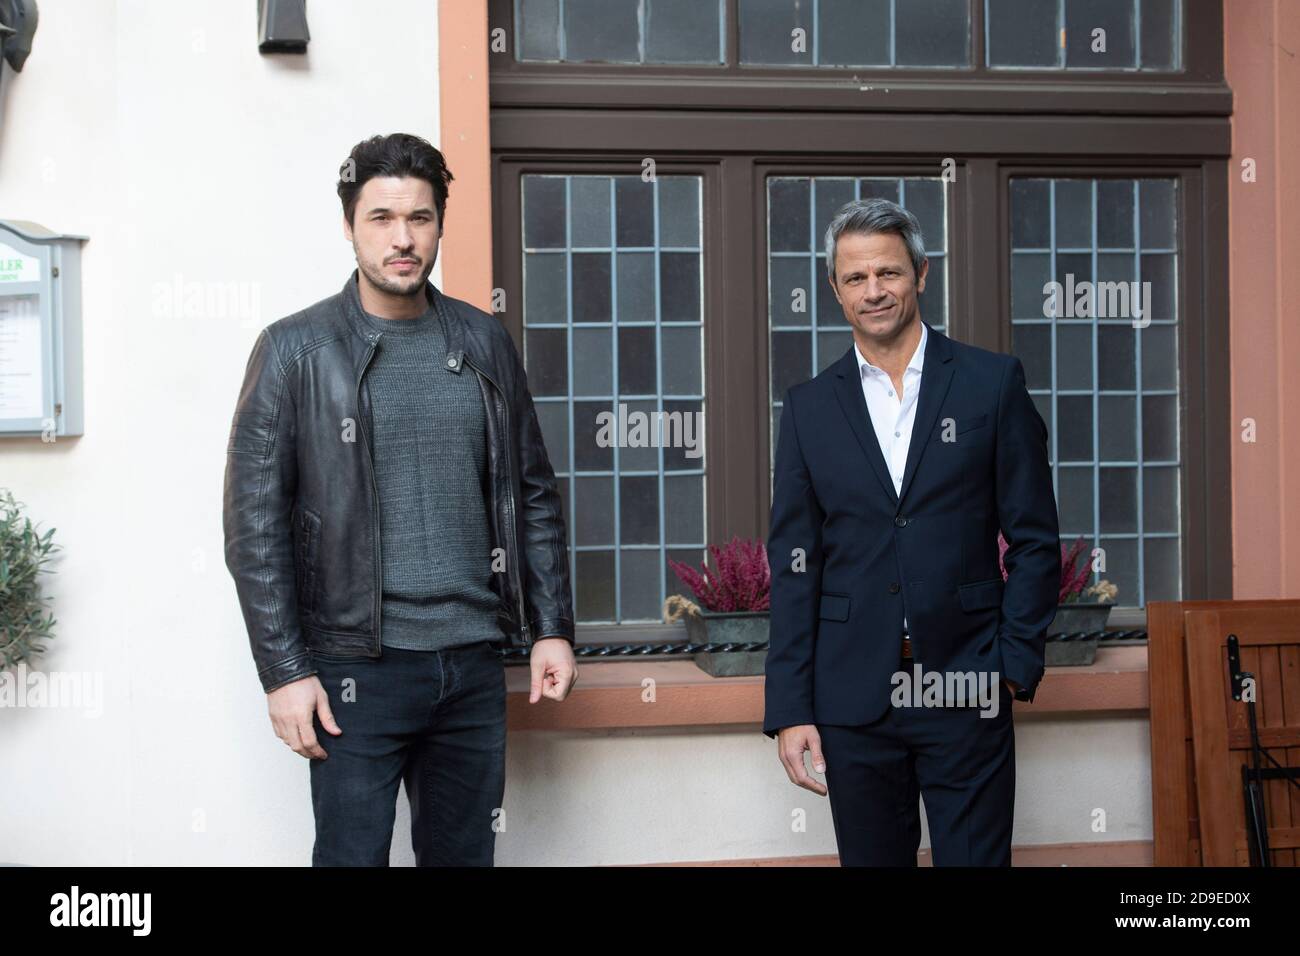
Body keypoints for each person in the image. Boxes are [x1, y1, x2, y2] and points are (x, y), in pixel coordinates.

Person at [222, 132, 577, 866]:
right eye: (381, 218)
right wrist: (285, 671)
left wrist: (550, 627)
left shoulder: (484, 342)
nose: (403, 238)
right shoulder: (295, 352)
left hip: (472, 665)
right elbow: (253, 528)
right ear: (349, 226)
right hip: (357, 669)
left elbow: (532, 493)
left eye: (419, 217)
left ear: (441, 223)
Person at [763, 197, 1060, 866]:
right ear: (835, 290)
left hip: (967, 684)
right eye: (856, 278)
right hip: (851, 698)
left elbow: (1037, 539)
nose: (875, 291)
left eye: (889, 273)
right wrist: (789, 708)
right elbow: (794, 562)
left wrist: (1011, 667)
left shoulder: (991, 384)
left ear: (922, 274)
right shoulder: (809, 408)